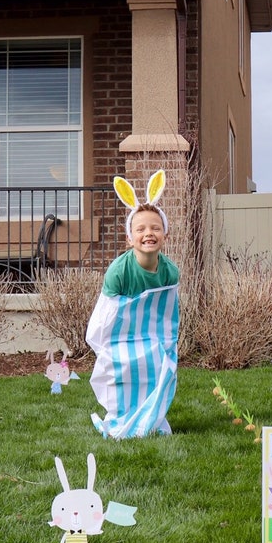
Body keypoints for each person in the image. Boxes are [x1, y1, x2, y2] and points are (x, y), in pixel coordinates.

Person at [86, 171, 180, 439]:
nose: (148, 233)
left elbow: (166, 313)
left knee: (159, 365)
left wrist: (165, 345)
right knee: (121, 369)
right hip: (121, 337)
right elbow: (107, 315)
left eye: (155, 228)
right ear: (129, 238)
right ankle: (122, 416)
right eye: (140, 229)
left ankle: (152, 417)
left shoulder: (169, 272)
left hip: (151, 336)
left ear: (165, 235)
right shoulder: (119, 272)